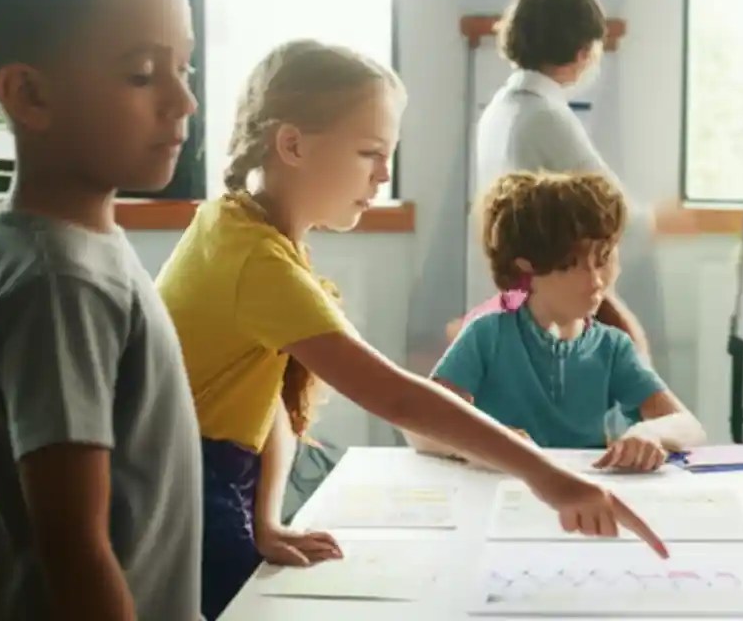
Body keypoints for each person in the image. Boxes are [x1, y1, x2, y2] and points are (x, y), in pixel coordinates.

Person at [155, 40, 667, 618]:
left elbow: (262, 397)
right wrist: (550, 478)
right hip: (185, 497)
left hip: (222, 483)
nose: (384, 174)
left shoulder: (242, 229)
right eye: (370, 152)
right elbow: (395, 394)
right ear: (292, 145)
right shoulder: (254, 258)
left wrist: (267, 520)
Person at [0, 0, 202, 620]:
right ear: (30, 95)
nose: (182, 101)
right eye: (143, 74)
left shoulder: (77, 250)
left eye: (185, 67)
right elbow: (72, 546)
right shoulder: (60, 282)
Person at [411, 171, 706, 471]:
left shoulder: (613, 347)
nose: (595, 280)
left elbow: (689, 426)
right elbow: (420, 425)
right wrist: (484, 442)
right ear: (526, 266)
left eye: (602, 259)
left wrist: (649, 432)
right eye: (572, 265)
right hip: (502, 489)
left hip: (580, 496)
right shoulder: (487, 335)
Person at [466, 0, 693, 356]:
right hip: (555, 290)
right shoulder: (545, 116)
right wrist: (659, 220)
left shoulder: (501, 109)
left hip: (518, 290)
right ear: (584, 51)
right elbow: (610, 209)